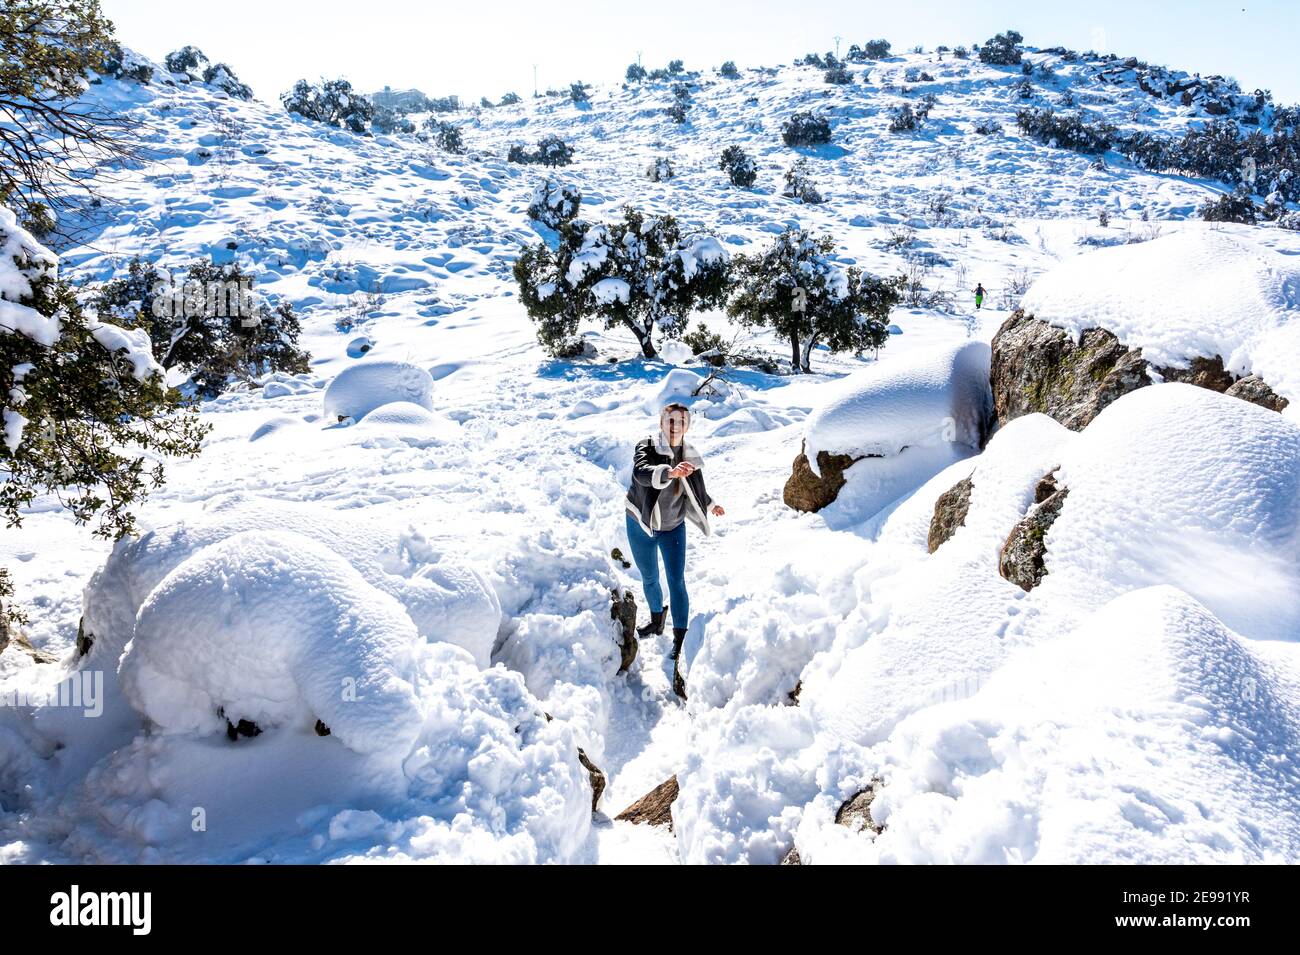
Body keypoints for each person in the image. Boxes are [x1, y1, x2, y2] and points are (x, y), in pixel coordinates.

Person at [624, 403, 725, 665]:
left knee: (676, 581)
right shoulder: (646, 446)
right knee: (649, 577)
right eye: (670, 420)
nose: (675, 426)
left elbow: (695, 488)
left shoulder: (690, 454)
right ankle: (657, 621)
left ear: (687, 426)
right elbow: (640, 472)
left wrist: (711, 505)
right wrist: (669, 472)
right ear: (661, 423)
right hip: (642, 524)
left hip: (672, 527)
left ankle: (680, 639)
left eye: (681, 421)